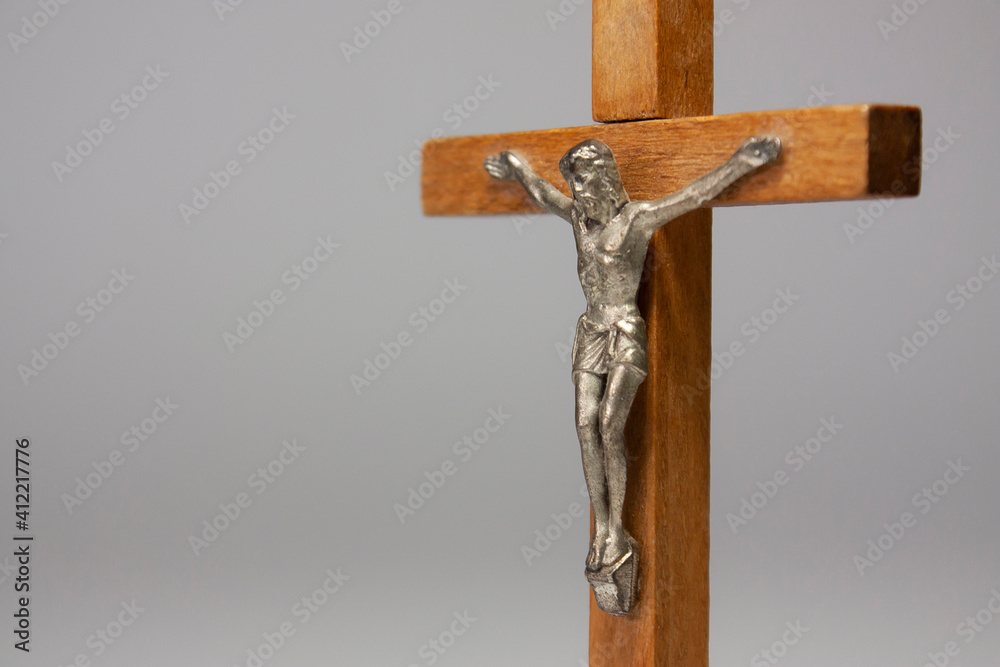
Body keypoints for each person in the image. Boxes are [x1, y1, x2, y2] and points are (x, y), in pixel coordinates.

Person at [485, 136, 780, 572]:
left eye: (584, 184)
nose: (579, 194)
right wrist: (517, 169)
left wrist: (740, 163)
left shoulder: (636, 219)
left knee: (609, 423)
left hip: (623, 329)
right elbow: (545, 194)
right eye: (576, 187)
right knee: (585, 424)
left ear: (604, 178)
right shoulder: (578, 219)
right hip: (591, 329)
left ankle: (617, 528)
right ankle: (601, 526)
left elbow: (693, 195)